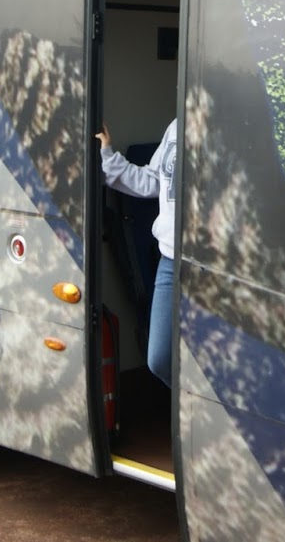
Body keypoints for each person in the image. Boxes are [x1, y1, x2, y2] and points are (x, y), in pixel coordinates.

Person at [96, 119, 177, 385]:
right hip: (171, 262)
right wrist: (107, 155)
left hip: (210, 265)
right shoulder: (177, 126)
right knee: (159, 360)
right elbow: (153, 181)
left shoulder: (231, 120)